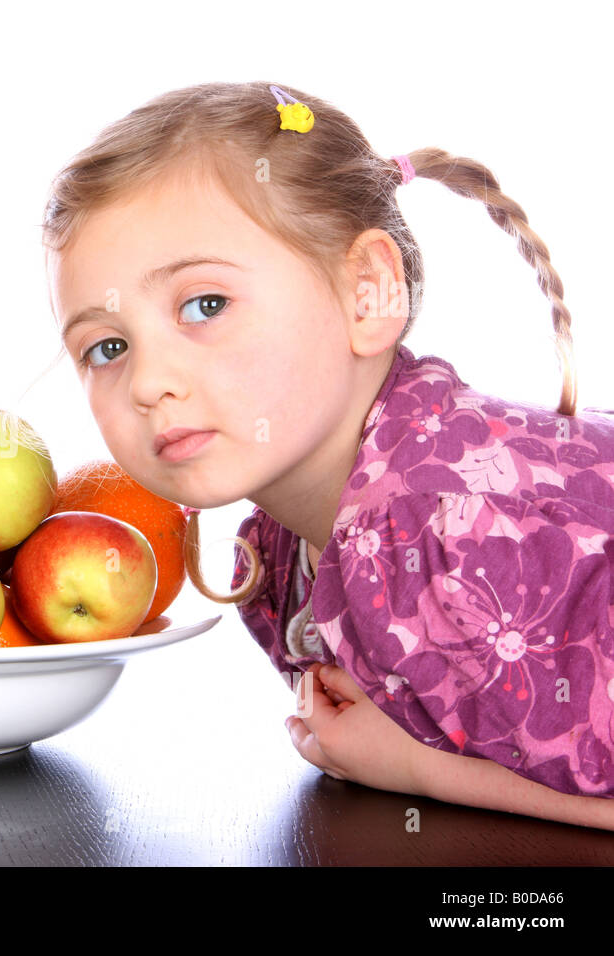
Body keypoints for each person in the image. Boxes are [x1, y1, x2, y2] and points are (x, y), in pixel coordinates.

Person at [42, 81, 614, 830]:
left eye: (204, 305)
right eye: (108, 347)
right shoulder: (283, 549)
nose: (148, 382)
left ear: (366, 292)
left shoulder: (444, 533)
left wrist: (422, 768)